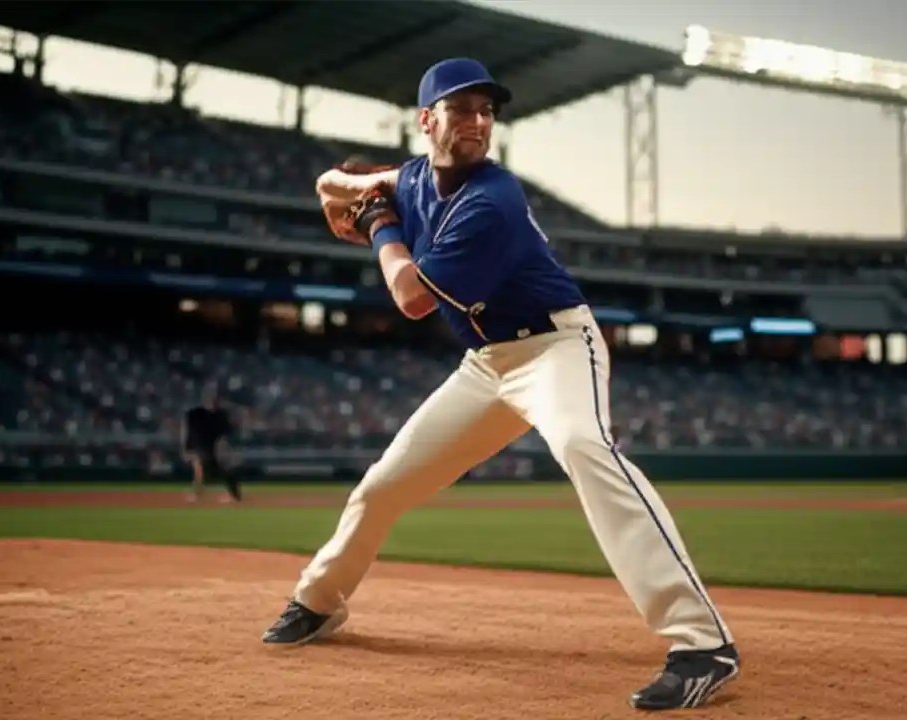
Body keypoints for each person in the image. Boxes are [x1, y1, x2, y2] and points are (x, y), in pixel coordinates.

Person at [261, 58, 739, 711]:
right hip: (487, 365)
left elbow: (410, 298)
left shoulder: (494, 198)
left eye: (486, 111)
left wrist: (378, 223)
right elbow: (331, 178)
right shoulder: (410, 176)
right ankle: (318, 601)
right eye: (461, 110)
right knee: (384, 484)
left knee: (584, 447)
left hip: (559, 347)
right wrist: (341, 197)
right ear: (427, 120)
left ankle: (703, 645)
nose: (478, 122)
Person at [182, 384, 240, 503]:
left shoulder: (220, 415)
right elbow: (189, 432)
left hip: (214, 448)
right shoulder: (197, 414)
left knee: (223, 470)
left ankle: (233, 495)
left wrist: (226, 447)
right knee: (200, 467)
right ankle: (198, 493)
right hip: (203, 447)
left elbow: (228, 433)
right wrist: (187, 447)